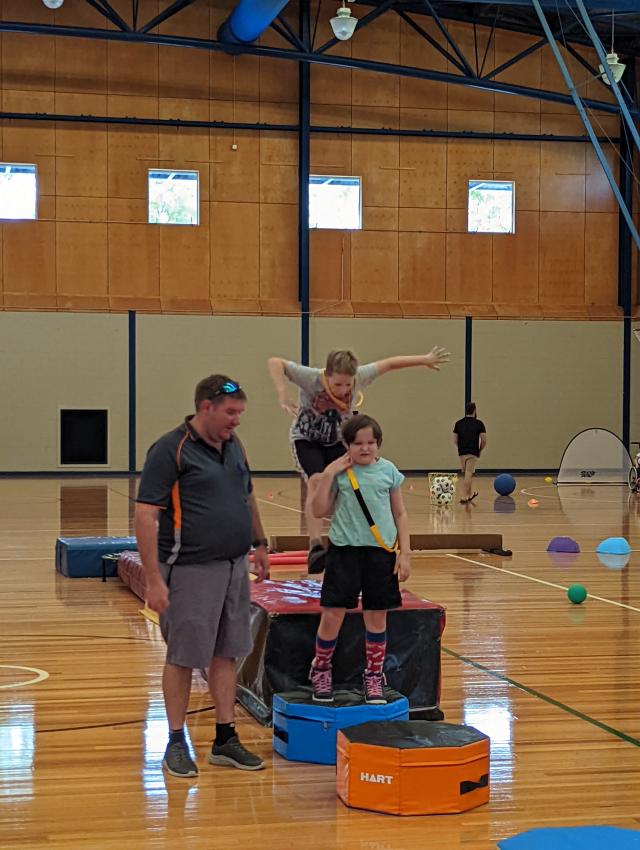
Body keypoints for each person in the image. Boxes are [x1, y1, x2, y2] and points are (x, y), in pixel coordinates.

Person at [134, 374, 270, 779]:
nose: (237, 421)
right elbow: (145, 516)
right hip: (190, 570)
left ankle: (225, 739)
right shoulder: (170, 450)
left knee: (225, 653)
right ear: (205, 408)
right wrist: (154, 580)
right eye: (231, 413)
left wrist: (260, 543)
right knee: (183, 657)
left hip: (233, 567)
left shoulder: (234, 447)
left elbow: (247, 495)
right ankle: (175, 742)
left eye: (240, 413)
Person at [267, 346, 448, 568]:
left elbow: (389, 363)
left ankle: (344, 536)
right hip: (307, 439)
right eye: (337, 384)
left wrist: (424, 359)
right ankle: (315, 545)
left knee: (348, 483)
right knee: (317, 480)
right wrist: (282, 392)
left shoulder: (361, 376)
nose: (343, 390)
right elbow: (276, 362)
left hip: (337, 440)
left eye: (348, 384)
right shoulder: (310, 378)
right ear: (327, 376)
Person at [308, 414, 411, 704]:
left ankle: (374, 675)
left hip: (380, 553)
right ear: (347, 445)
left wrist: (405, 554)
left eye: (371, 443)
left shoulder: (388, 471)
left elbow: (400, 513)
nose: (365, 448)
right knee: (333, 614)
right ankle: (321, 668)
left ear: (378, 444)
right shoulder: (340, 473)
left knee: (377, 617)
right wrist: (328, 475)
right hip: (344, 552)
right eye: (358, 443)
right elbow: (318, 511)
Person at [453, 402, 487, 504]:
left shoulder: (458, 423)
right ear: (474, 410)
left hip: (462, 452)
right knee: (468, 474)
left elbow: (455, 440)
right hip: (473, 452)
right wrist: (480, 450)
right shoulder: (479, 424)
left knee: (467, 474)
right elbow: (484, 440)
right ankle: (464, 496)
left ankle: (469, 494)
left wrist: (461, 447)